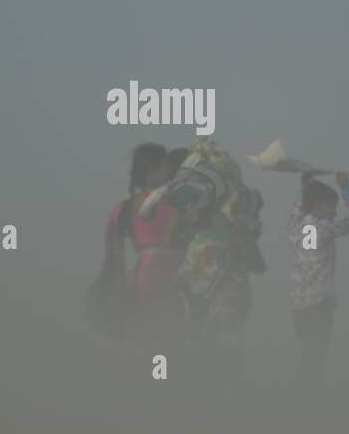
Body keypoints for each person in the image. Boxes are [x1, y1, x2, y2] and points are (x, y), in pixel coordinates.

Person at [141, 138, 266, 369]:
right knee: (223, 341)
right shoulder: (237, 200)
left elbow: (169, 235)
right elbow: (252, 229)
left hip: (208, 280)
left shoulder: (202, 204)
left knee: (212, 340)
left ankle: (209, 388)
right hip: (221, 279)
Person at [86, 144, 187, 344]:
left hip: (144, 279)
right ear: (152, 172)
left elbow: (115, 259)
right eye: (165, 167)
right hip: (172, 280)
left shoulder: (123, 208)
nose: (170, 172)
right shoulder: (177, 203)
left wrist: (119, 295)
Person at [287, 171, 349, 378]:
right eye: (333, 207)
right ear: (320, 206)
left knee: (306, 354)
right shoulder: (324, 228)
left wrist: (304, 187)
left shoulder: (294, 228)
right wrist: (346, 188)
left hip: (298, 306)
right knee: (316, 358)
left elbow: (297, 209)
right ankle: (308, 400)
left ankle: (301, 397)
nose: (335, 212)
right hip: (319, 304)